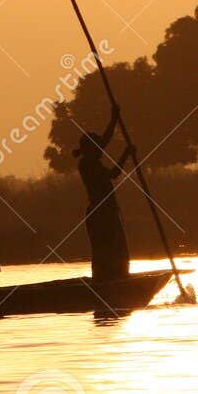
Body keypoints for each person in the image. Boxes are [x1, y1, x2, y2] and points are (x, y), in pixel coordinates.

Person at [73, 104, 132, 280]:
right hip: (100, 213)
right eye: (97, 147)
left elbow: (105, 139)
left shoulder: (92, 160)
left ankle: (115, 277)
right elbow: (114, 173)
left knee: (117, 249)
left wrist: (114, 118)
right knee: (106, 250)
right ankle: (105, 281)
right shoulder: (87, 164)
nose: (101, 149)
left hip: (107, 211)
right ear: (90, 149)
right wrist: (126, 154)